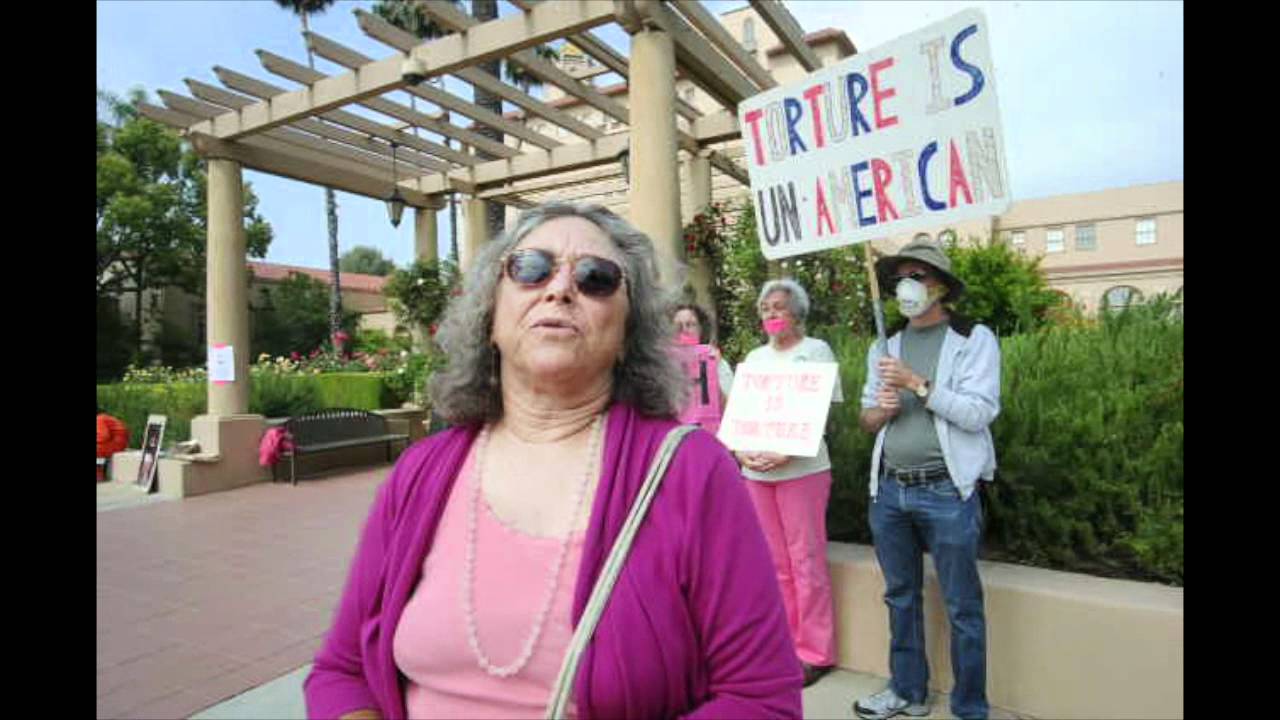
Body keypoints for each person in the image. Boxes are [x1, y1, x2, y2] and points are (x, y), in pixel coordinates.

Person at [305, 202, 802, 720]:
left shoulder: (692, 471)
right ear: (490, 317)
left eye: (596, 278)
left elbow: (762, 700)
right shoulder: (421, 471)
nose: (560, 288)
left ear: (627, 334)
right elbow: (342, 671)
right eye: (531, 268)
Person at [852, 239, 1000, 720]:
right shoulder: (886, 344)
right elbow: (866, 418)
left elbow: (979, 413)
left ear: (941, 286)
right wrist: (880, 411)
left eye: (917, 276)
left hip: (947, 492)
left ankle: (970, 707)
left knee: (962, 606)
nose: (906, 287)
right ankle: (907, 691)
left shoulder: (973, 338)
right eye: (900, 278)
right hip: (890, 489)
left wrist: (918, 385)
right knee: (899, 596)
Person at [734, 278, 843, 688]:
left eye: (778, 307)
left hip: (802, 471)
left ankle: (816, 652)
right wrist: (741, 453)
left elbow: (822, 413)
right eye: (765, 308)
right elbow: (742, 415)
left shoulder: (815, 351)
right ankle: (786, 645)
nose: (771, 314)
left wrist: (789, 452)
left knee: (806, 561)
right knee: (775, 564)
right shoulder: (755, 357)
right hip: (758, 473)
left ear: (797, 312)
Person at [670, 302, 733, 434]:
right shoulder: (661, 365)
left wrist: (713, 375)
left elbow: (732, 409)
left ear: (700, 329)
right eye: (678, 326)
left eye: (690, 324)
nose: (684, 330)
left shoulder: (717, 362)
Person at [96, 407, 129, 481]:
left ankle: (98, 475)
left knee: (98, 449)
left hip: (116, 443)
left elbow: (103, 436)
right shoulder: (103, 418)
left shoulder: (99, 419)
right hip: (117, 442)